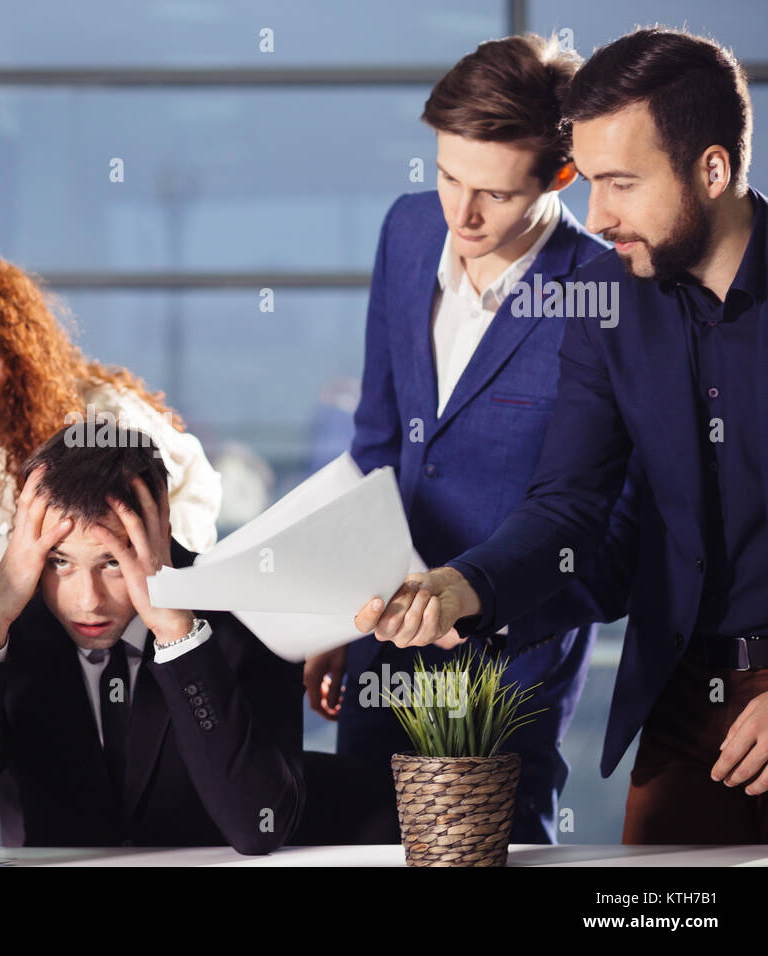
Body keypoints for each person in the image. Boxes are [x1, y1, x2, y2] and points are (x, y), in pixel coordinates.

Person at [358, 28, 768, 843]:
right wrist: (464, 587)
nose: (595, 214)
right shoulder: (609, 296)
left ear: (713, 170)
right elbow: (569, 504)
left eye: (619, 182)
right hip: (689, 693)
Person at [304, 34, 636, 845]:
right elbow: (378, 445)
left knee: (492, 854)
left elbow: (614, 529)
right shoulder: (410, 231)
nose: (462, 213)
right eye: (448, 175)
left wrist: (491, 612)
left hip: (511, 660)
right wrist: (332, 618)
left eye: (491, 191)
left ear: (560, 175)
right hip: (380, 630)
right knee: (364, 839)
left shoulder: (609, 292)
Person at [0, 427, 302, 854]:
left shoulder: (243, 612)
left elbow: (261, 827)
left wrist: (178, 636)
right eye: (60, 562)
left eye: (112, 562)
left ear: (162, 533)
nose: (88, 601)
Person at [0, 251, 222, 656]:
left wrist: (156, 577)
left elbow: (195, 491)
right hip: (23, 675)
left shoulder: (104, 417)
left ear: (19, 360)